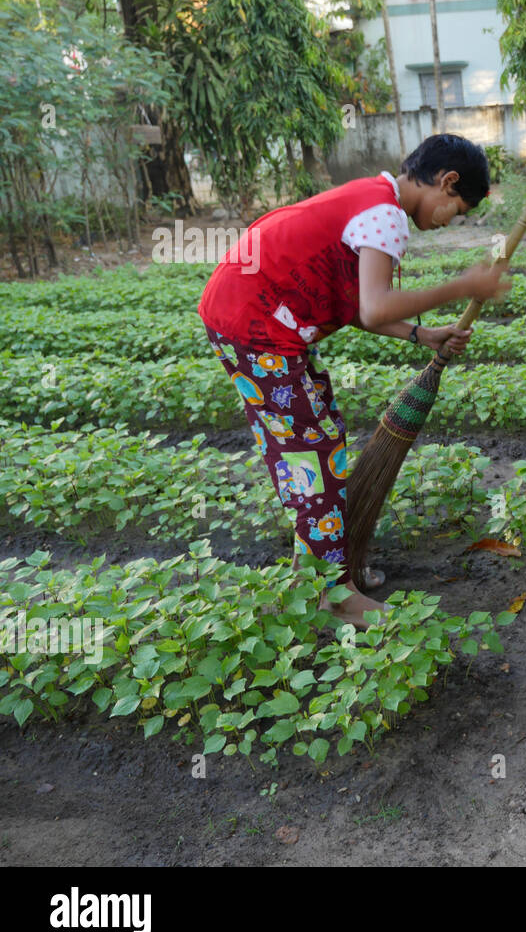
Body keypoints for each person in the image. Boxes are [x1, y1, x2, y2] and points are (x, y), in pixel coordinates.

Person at [197, 134, 509, 628]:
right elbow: (375, 305)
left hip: (264, 324)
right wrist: (463, 286)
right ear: (447, 183)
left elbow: (357, 306)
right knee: (310, 451)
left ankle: (316, 575)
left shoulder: (373, 199)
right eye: (459, 209)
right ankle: (334, 596)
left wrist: (420, 335)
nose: (452, 219)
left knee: (320, 441)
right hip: (256, 326)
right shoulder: (385, 215)